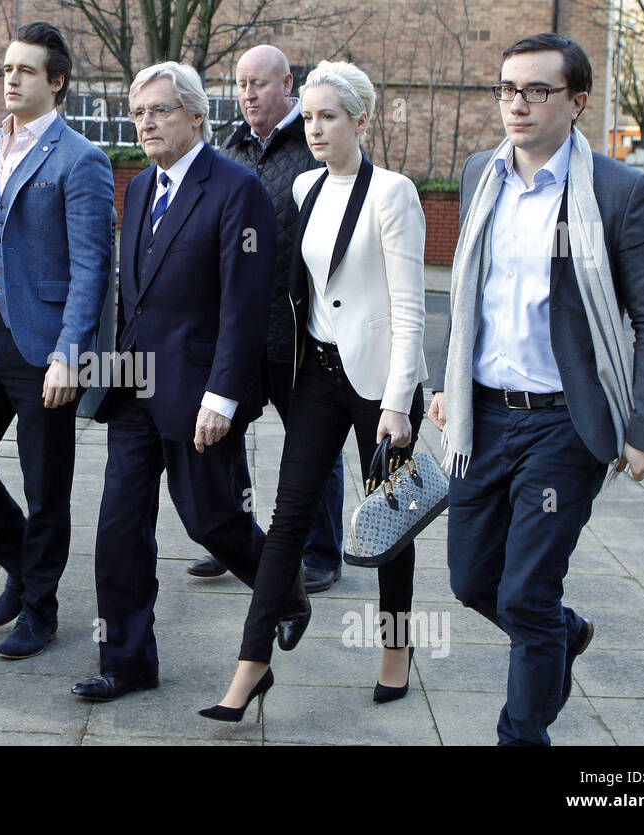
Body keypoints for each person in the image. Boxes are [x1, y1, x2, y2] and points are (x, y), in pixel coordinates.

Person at [431, 33, 644, 745]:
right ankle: (562, 634)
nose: (517, 103)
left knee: (525, 593)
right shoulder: (482, 172)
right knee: (473, 581)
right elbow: (468, 293)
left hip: (566, 424)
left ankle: (521, 734)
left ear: (577, 102)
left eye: (537, 90)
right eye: (507, 88)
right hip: (482, 415)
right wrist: (448, 382)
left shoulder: (614, 191)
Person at [72, 62, 307, 703]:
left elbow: (246, 304)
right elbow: (136, 301)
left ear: (196, 118)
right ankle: (126, 661)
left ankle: (282, 586)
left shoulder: (237, 190)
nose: (145, 122)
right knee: (119, 526)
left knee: (211, 520)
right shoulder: (139, 188)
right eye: (139, 112)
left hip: (200, 391)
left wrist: (224, 396)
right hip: (134, 388)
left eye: (160, 111)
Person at [202, 60, 430, 722]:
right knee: (287, 519)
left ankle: (396, 648)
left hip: (382, 380)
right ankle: (251, 667)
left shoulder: (394, 193)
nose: (316, 127)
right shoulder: (304, 186)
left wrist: (398, 402)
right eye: (309, 116)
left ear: (362, 119)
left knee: (393, 520)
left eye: (329, 116)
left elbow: (411, 308)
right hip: (319, 374)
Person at [0, 22, 113, 660]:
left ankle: (40, 609)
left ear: (56, 81)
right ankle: (21, 564)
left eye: (26, 70)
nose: (10, 79)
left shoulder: (80, 159)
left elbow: (92, 267)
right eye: (7, 68)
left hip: (45, 350)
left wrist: (71, 353)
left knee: (46, 488)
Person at [198, 43, 345, 595]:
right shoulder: (229, 150)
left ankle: (321, 554)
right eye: (240, 85)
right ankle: (235, 540)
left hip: (297, 332)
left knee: (312, 445)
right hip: (236, 329)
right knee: (223, 436)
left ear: (288, 84)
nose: (248, 95)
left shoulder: (313, 146)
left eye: (258, 84)